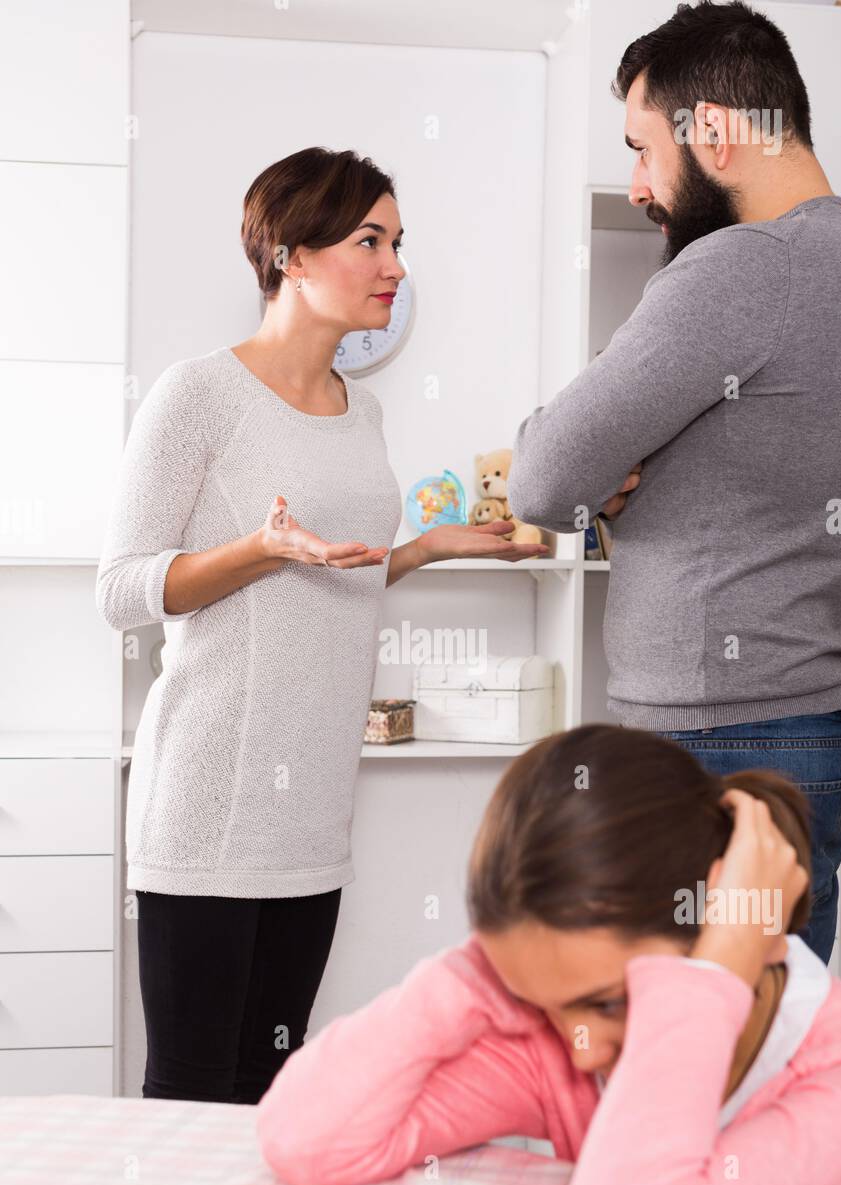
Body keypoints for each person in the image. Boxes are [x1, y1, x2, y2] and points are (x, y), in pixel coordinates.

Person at [95, 146, 547, 1104]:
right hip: (208, 805)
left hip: (310, 812)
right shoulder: (199, 395)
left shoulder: (365, 412)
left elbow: (335, 572)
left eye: (398, 242)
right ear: (291, 256)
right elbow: (121, 588)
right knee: (192, 1095)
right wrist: (259, 550)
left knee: (275, 1088)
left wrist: (428, 549)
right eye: (369, 240)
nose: (394, 265)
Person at [506, 1, 841, 966]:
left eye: (643, 147)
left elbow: (543, 479)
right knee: (769, 1044)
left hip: (719, 736)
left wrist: (615, 469)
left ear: (713, 129)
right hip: (822, 729)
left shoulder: (743, 268)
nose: (637, 186)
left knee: (689, 1055)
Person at [256, 726, 841, 1185]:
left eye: (610, 1002)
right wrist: (471, 979)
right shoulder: (562, 1046)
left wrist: (716, 974)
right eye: (539, 1002)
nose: (582, 1050)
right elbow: (305, 1139)